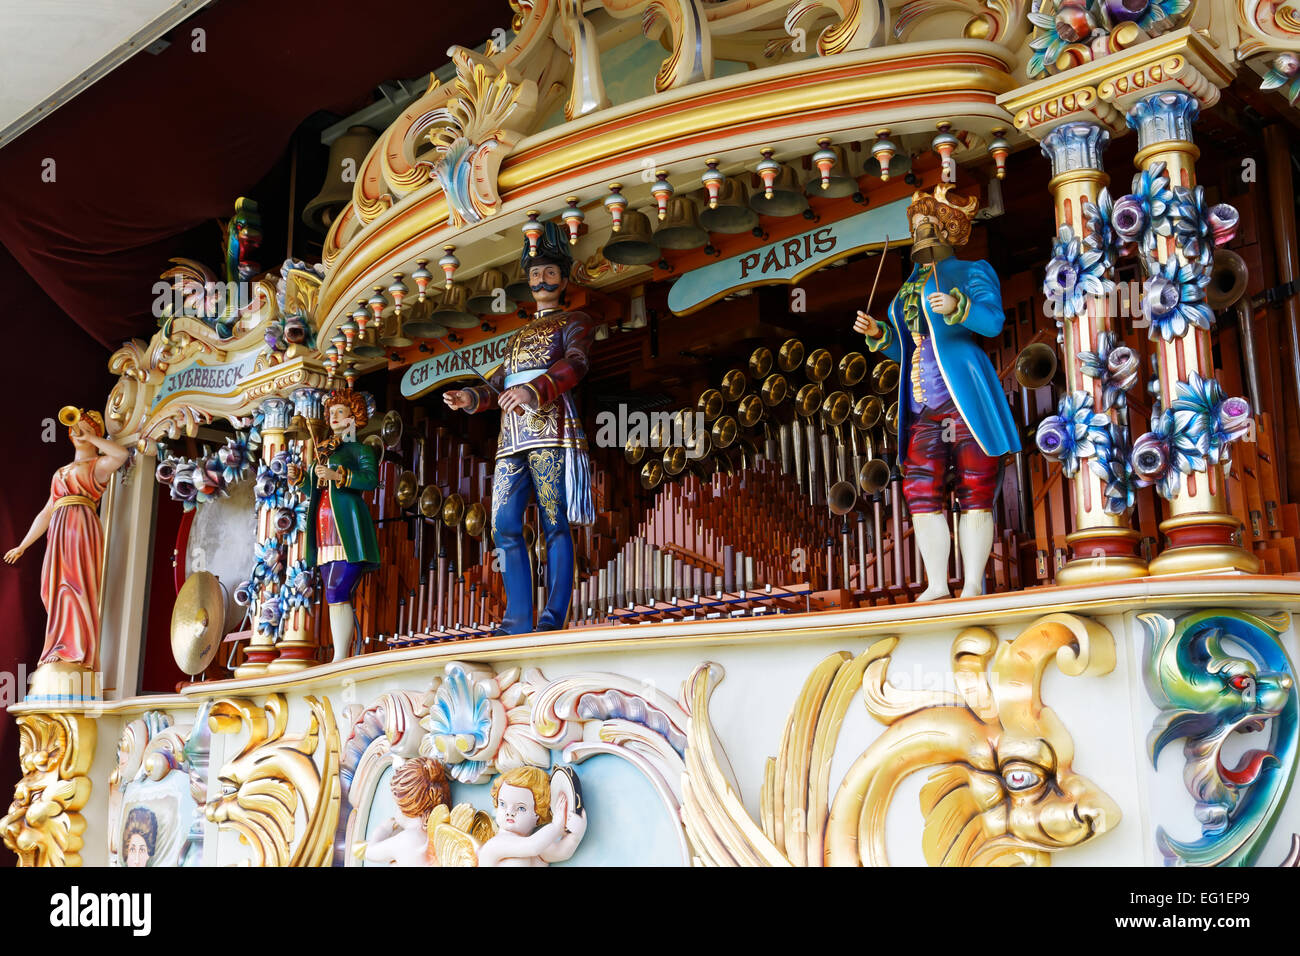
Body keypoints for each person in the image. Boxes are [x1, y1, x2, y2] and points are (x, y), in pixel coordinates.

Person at [853, 184, 1019, 601]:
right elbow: (907, 347)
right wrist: (879, 334)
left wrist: (961, 307)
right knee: (920, 488)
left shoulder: (972, 270)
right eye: (916, 226)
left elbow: (993, 322)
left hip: (963, 397)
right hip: (921, 405)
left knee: (975, 484)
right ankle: (938, 584)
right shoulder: (908, 288)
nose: (920, 232)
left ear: (947, 228)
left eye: (927, 224)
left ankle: (975, 584)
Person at [443, 222, 596, 635]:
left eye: (549, 273)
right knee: (504, 525)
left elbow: (576, 363)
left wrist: (535, 389)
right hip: (512, 442)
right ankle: (516, 619)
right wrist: (471, 399)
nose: (541, 280)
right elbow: (498, 383)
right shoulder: (516, 338)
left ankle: (553, 615)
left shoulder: (574, 321)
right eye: (534, 274)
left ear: (564, 278)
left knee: (554, 523)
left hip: (550, 433)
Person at [5, 408, 129, 668]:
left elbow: (121, 454)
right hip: (58, 533)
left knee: (76, 584)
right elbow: (46, 512)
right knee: (53, 587)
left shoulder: (98, 466)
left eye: (84, 428)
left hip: (82, 530)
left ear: (95, 434)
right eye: (74, 428)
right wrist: (23, 545)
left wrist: (93, 437)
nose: (77, 432)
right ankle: (59, 645)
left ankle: (78, 650)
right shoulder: (60, 473)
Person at [286, 390, 379, 662]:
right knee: (331, 591)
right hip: (324, 529)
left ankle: (340, 655)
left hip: (347, 528)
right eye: (331, 413)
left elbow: (370, 480)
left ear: (354, 415)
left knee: (338, 589)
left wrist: (339, 475)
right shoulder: (323, 453)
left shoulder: (361, 450)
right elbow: (314, 490)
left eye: (340, 411)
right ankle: (339, 653)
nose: (334, 417)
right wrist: (301, 478)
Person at [478, 766, 586, 867]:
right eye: (502, 804)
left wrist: (576, 835)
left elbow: (561, 852)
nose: (509, 812)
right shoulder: (496, 844)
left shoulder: (538, 845)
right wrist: (557, 826)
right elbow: (532, 846)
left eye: (521, 808)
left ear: (538, 815)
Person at [358, 757, 452, 866]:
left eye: (396, 804)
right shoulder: (432, 836)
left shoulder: (407, 839)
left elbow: (370, 852)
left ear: (405, 806)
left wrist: (384, 829)